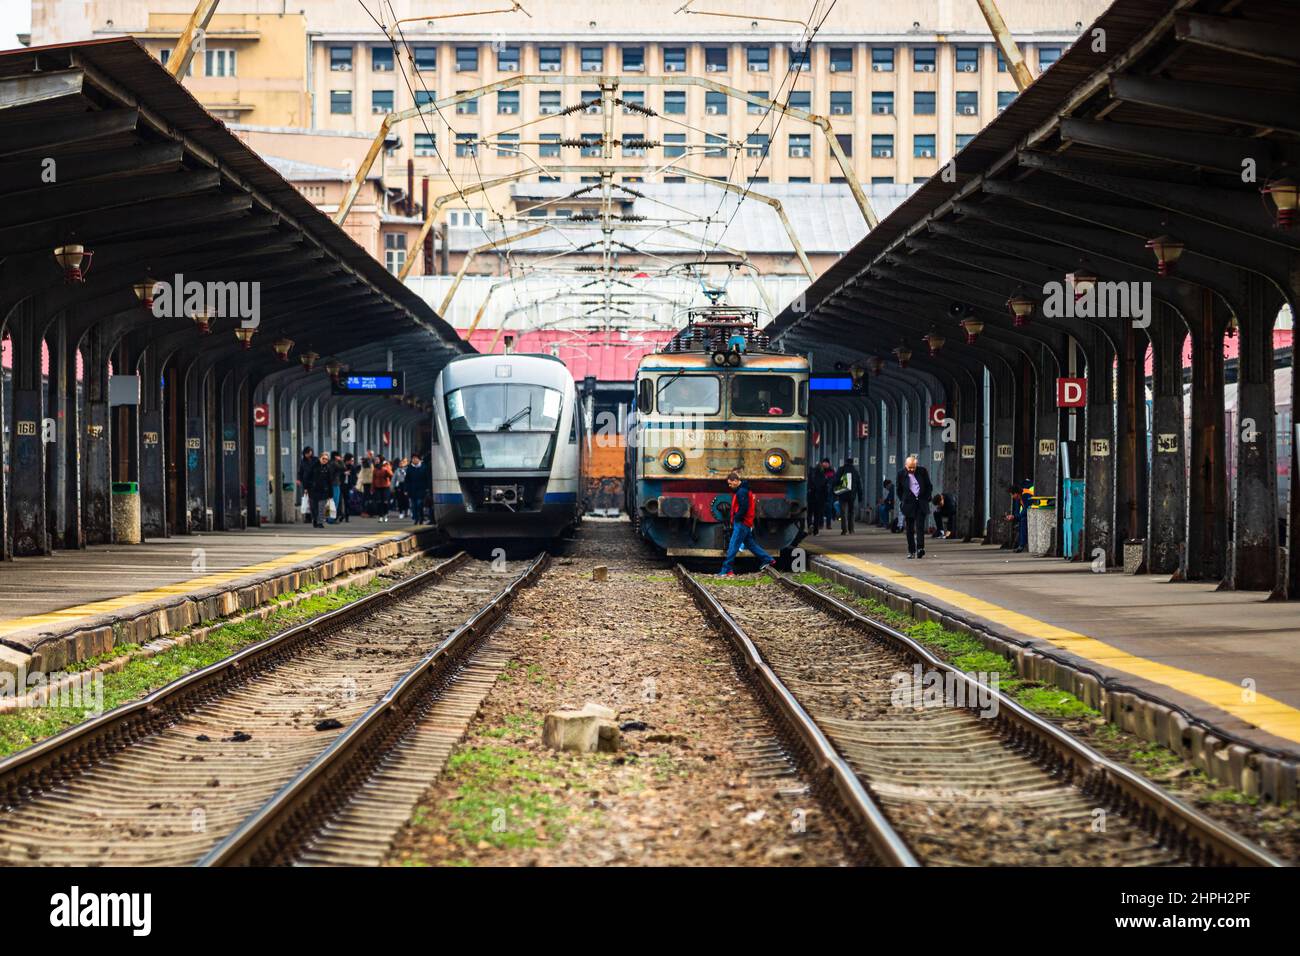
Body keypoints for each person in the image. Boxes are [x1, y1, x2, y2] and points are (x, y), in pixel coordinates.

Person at [718, 469, 775, 577]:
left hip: (742, 522)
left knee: (733, 545)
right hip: (746, 522)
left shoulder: (741, 492)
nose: (729, 486)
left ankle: (726, 570)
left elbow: (744, 507)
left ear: (735, 480)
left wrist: (737, 518)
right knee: (750, 544)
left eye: (730, 483)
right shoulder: (743, 490)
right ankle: (768, 559)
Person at [896, 454, 934, 558]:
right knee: (909, 529)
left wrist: (926, 498)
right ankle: (911, 550)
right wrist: (903, 500)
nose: (912, 469)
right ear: (905, 465)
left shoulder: (922, 471)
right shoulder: (901, 474)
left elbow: (928, 486)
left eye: (914, 467)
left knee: (920, 527)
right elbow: (899, 490)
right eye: (910, 467)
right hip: (908, 504)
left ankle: (920, 548)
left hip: (921, 503)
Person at [833, 456, 863, 535]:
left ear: (845, 462)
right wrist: (860, 496)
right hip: (852, 494)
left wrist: (835, 491)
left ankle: (844, 530)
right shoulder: (855, 471)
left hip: (842, 493)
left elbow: (835, 481)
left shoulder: (841, 470)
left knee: (843, 512)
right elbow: (859, 485)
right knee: (851, 512)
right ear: (852, 463)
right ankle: (851, 529)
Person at [307, 451, 333, 528]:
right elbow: (307, 477)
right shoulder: (313, 466)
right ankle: (315, 520)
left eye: (327, 459)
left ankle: (320, 522)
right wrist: (307, 487)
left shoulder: (328, 468)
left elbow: (330, 481)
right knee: (314, 507)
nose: (325, 460)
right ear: (320, 458)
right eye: (323, 458)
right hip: (313, 490)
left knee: (321, 507)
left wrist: (330, 493)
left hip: (324, 490)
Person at [1006, 481, 1031, 552]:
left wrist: (1015, 517)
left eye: (1012, 495)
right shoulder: (1019, 499)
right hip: (1027, 515)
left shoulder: (1026, 495)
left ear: (1016, 493)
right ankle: (1020, 544)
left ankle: (1022, 545)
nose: (1012, 497)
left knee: (1023, 521)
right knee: (1020, 522)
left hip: (1033, 514)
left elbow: (1027, 510)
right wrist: (1013, 516)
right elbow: (1018, 512)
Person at [807, 456, 830, 535]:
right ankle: (816, 531)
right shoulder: (823, 476)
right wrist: (826, 498)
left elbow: (808, 485)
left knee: (809, 513)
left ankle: (809, 524)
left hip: (810, 496)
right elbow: (825, 489)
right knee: (817, 514)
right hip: (819, 498)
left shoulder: (811, 474)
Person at [405, 453, 430, 524]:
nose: (414, 460)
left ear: (419, 459)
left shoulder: (424, 467)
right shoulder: (409, 468)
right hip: (412, 490)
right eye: (413, 458)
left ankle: (421, 518)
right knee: (414, 505)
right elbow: (407, 480)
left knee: (419, 504)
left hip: (421, 489)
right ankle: (416, 519)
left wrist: (427, 488)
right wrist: (406, 489)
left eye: (416, 458)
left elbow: (427, 478)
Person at [371, 455, 394, 522]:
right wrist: (372, 488)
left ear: (380, 460)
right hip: (377, 487)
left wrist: (386, 469)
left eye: (377, 459)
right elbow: (373, 479)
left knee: (385, 502)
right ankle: (380, 516)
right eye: (375, 460)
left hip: (385, 486)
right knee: (379, 502)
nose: (376, 461)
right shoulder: (375, 469)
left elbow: (391, 475)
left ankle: (386, 515)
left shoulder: (386, 466)